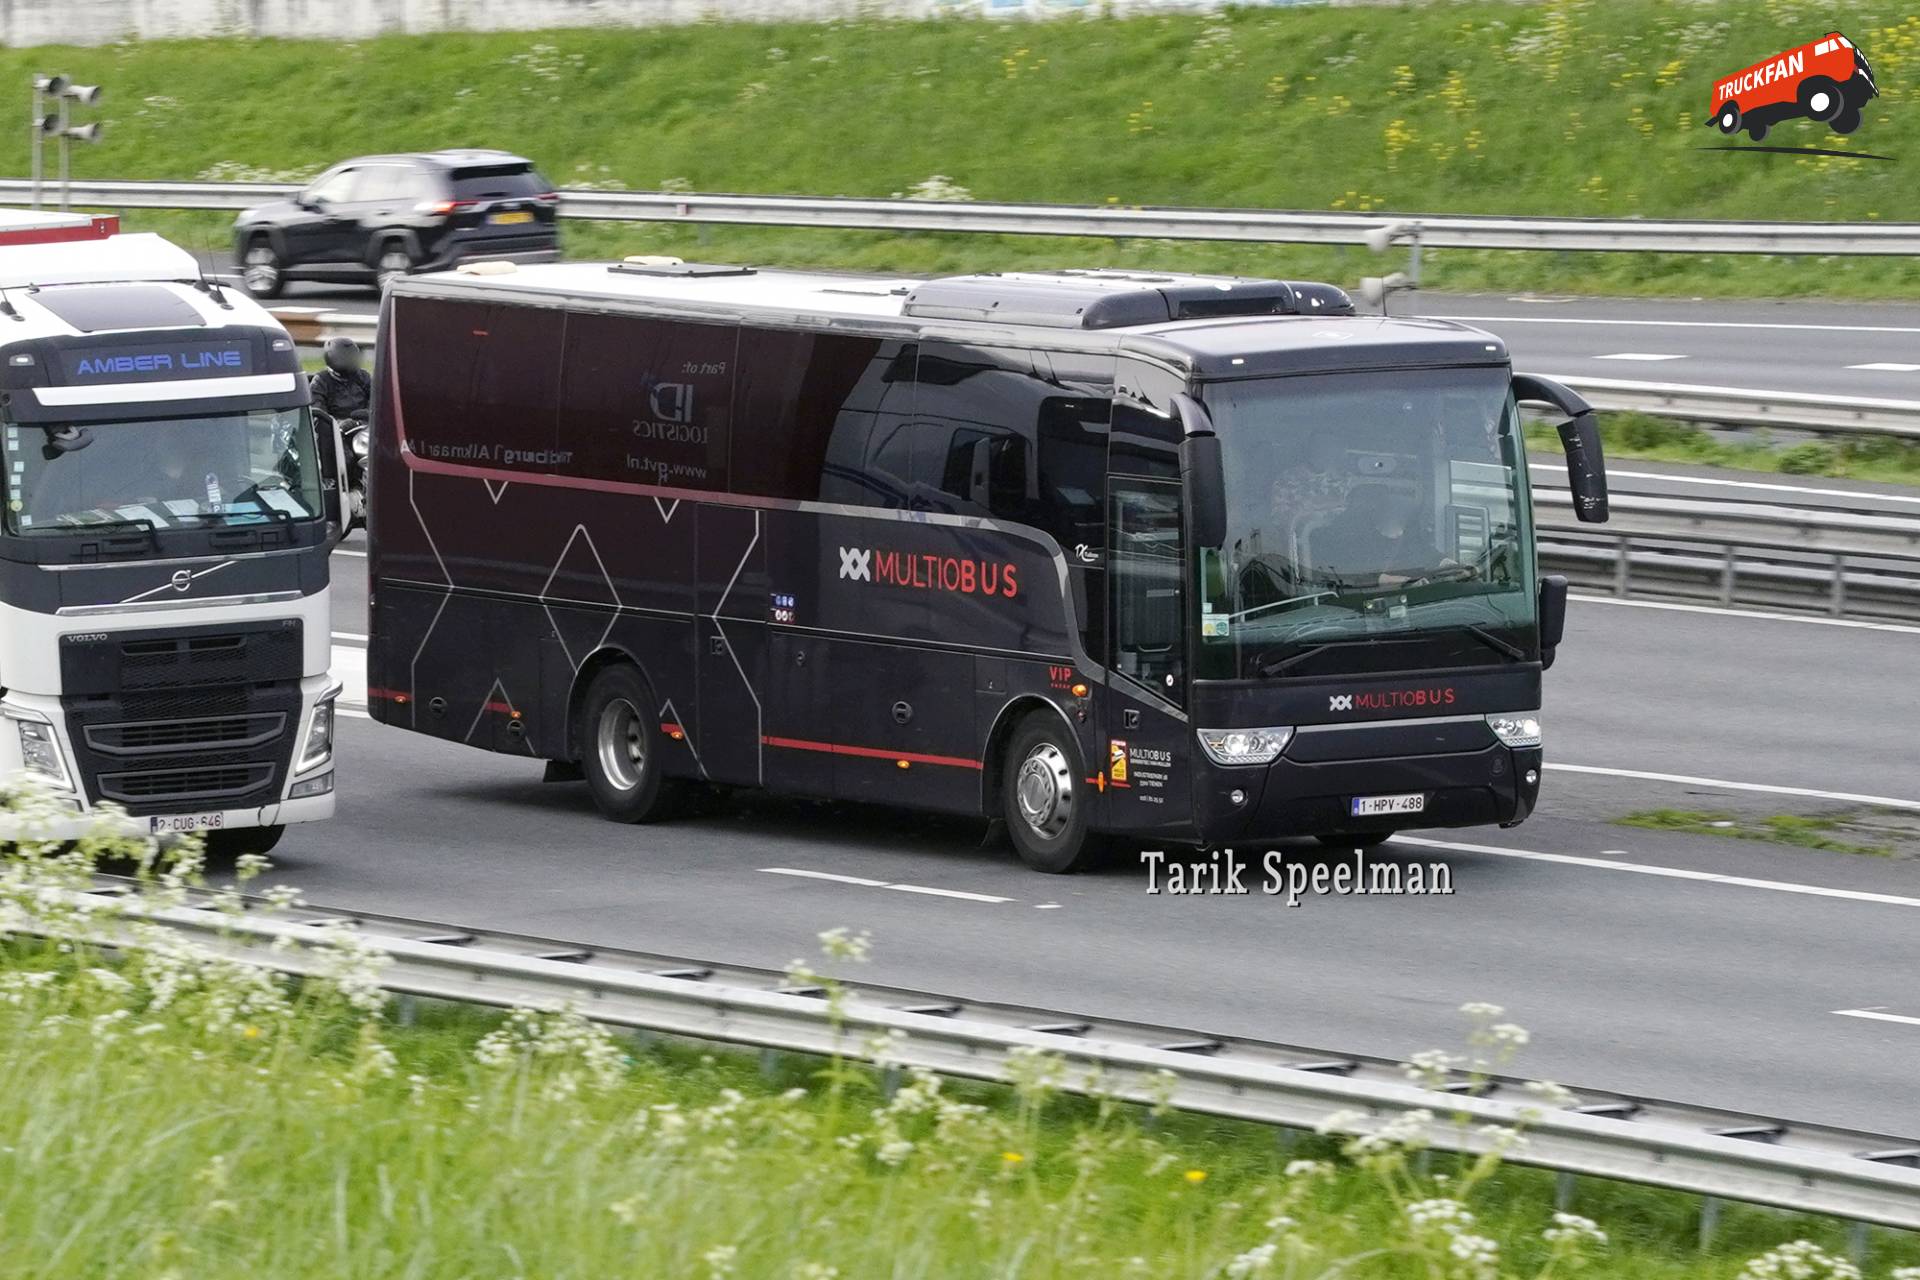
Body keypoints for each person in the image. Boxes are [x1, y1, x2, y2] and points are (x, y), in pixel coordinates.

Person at [309, 338, 372, 426]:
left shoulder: (364, 377)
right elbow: (317, 412)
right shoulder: (321, 381)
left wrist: (363, 420)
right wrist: (339, 423)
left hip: (362, 427)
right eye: (345, 357)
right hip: (333, 431)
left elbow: (376, 404)